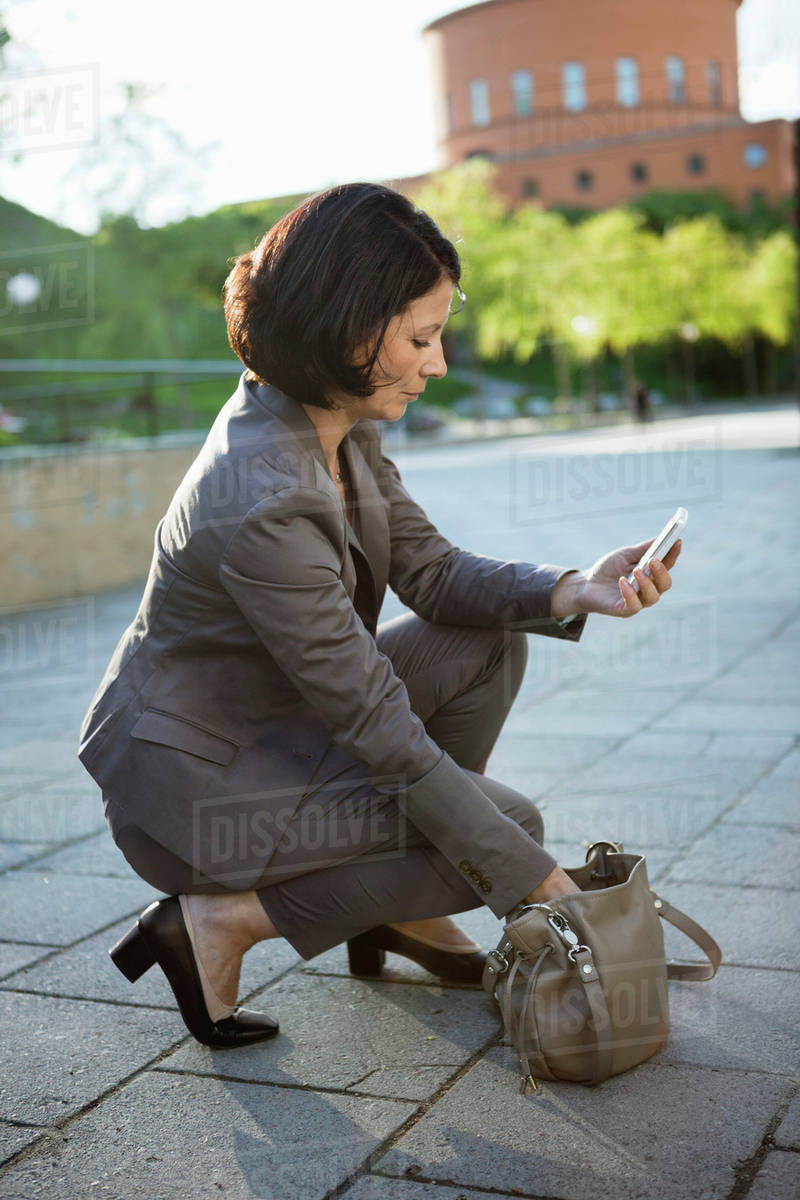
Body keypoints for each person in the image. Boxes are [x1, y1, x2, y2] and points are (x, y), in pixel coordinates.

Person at [78, 183, 680, 1049]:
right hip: (198, 788)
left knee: (485, 646)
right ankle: (221, 922)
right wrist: (541, 888)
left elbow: (431, 573)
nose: (437, 363)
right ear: (349, 326)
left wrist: (574, 588)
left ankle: (396, 905)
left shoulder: (334, 418)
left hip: (270, 730)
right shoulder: (264, 497)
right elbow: (377, 727)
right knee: (505, 828)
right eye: (422, 338)